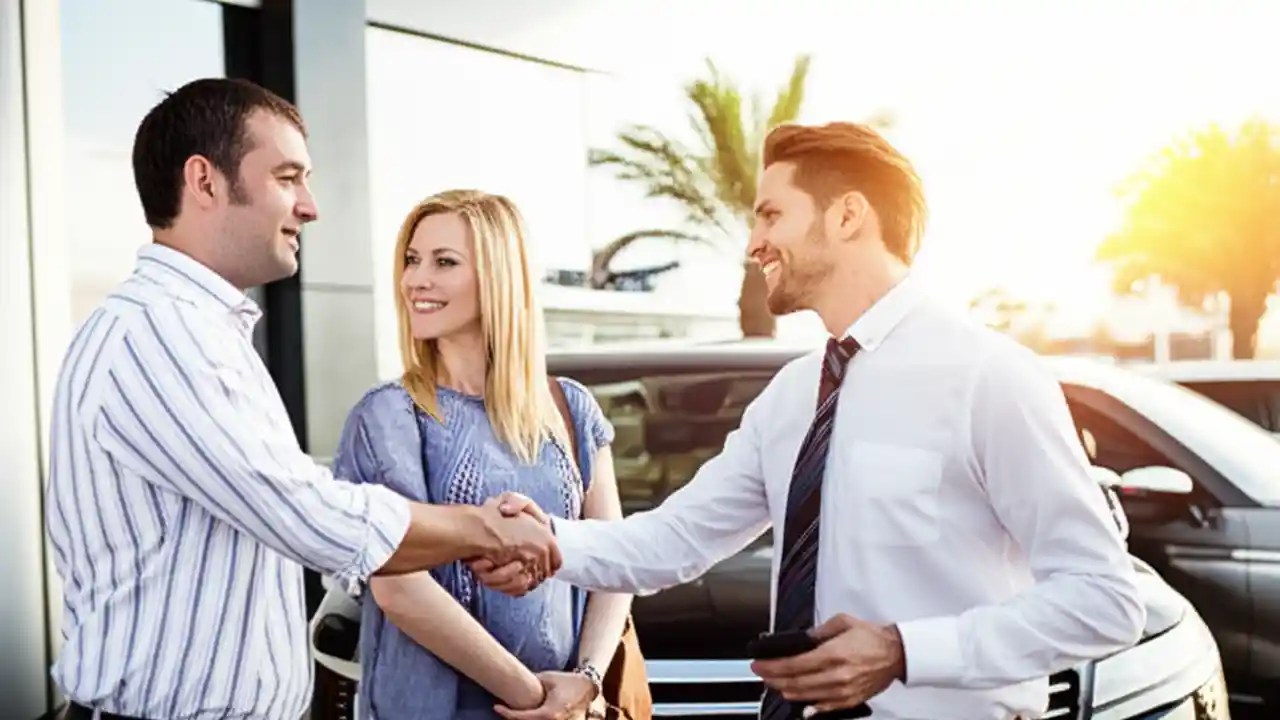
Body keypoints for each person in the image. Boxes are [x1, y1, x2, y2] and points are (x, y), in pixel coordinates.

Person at [481, 122, 1146, 720]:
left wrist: (903, 651)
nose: (754, 244)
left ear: (848, 216)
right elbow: (677, 540)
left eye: (771, 215)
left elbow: (1103, 598)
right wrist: (553, 542)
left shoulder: (989, 376)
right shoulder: (795, 395)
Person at [43, 78, 558, 720]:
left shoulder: (200, 331)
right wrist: (482, 528)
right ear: (204, 182)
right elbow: (303, 513)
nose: (310, 206)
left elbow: (280, 492)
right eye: (288, 177)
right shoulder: (157, 333)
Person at [329, 189, 631, 720]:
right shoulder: (388, 416)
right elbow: (399, 587)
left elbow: (614, 561)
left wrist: (585, 681)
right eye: (411, 260)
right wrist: (536, 699)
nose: (416, 279)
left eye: (444, 262)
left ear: (498, 277)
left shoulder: (571, 408)